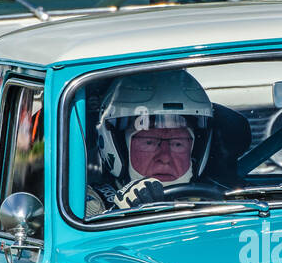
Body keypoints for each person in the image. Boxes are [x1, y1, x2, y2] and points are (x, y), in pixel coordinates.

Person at [85, 69, 214, 216]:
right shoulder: (92, 206)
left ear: (195, 150)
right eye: (149, 143)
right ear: (117, 147)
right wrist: (118, 216)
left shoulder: (224, 203)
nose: (165, 157)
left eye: (177, 144)